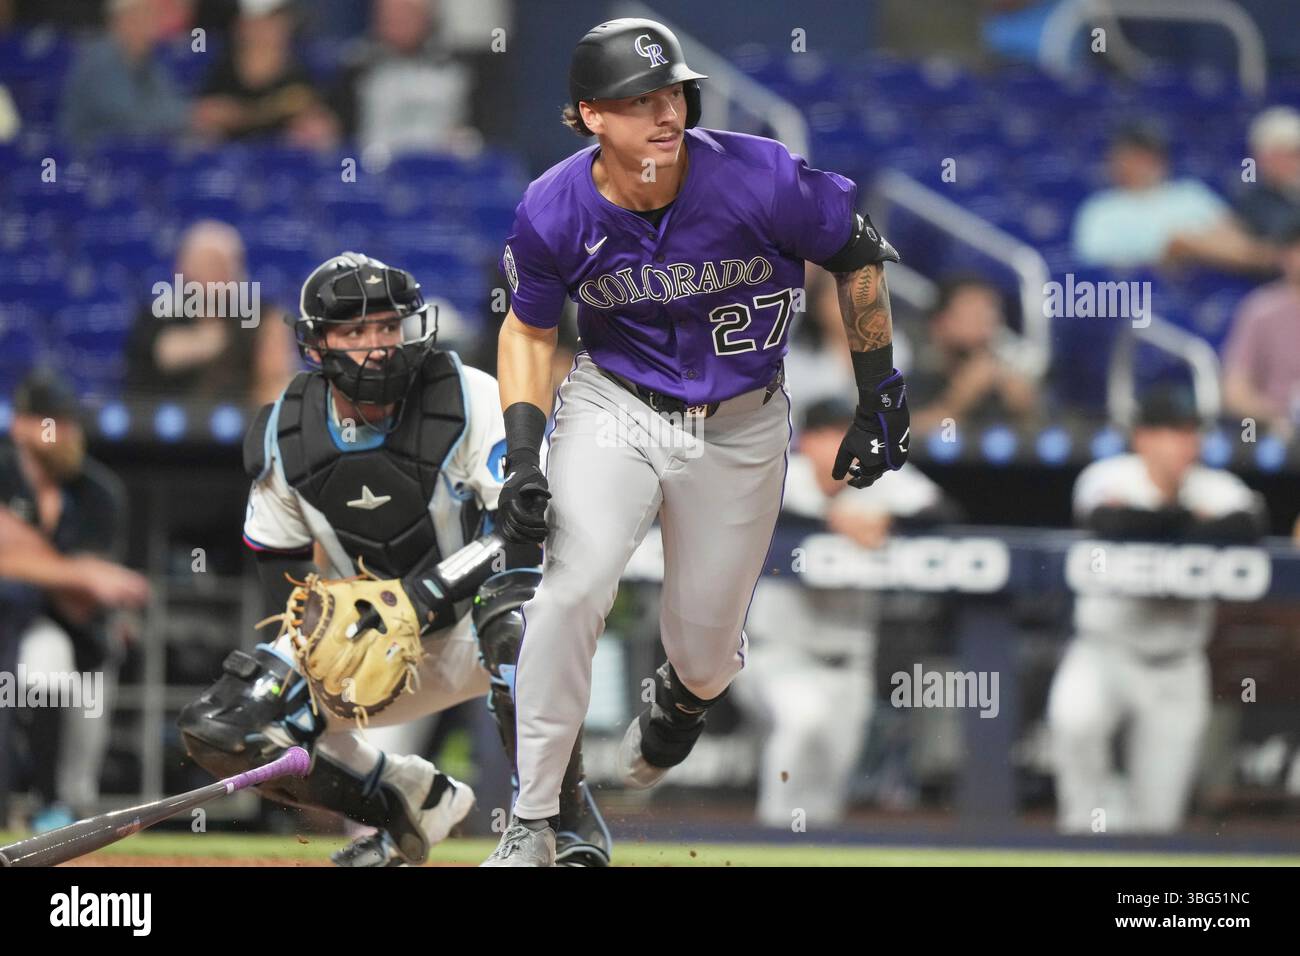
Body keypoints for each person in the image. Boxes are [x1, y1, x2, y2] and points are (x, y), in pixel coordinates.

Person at [482, 18, 910, 866]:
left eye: (671, 92)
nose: (664, 112)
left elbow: (857, 252)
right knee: (568, 592)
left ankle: (681, 701)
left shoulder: (760, 175)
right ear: (589, 117)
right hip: (617, 404)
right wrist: (525, 453)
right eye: (638, 100)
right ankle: (532, 823)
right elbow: (529, 333)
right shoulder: (553, 206)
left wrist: (881, 393)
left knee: (709, 655)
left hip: (744, 421)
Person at [176, 252, 610, 867]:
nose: (377, 345)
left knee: (521, 619)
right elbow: (281, 580)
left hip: (473, 625)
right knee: (225, 724)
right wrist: (319, 640)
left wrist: (422, 595)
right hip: (371, 648)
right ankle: (406, 800)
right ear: (316, 344)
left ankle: (562, 830)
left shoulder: (466, 394)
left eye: (386, 325)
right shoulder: (287, 433)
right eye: (354, 331)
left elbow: (525, 536)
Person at [1048, 387, 1267, 833]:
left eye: (1191, 434)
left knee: (1157, 824)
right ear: (1143, 438)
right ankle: (1092, 825)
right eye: (1173, 433)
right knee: (1074, 723)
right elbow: (1112, 523)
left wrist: (1167, 521)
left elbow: (1245, 525)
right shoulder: (1108, 476)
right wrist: (1191, 522)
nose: (1186, 444)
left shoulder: (1220, 486)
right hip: (1103, 653)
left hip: (1177, 666)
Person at [737, 399, 951, 828]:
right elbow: (764, 516)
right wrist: (837, 520)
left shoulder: (880, 480)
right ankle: (772, 840)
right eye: (833, 433)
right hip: (778, 656)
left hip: (851, 664)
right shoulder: (782, 476)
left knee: (829, 788)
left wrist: (884, 519)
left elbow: (942, 513)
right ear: (809, 441)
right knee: (804, 723)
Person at [0, 370, 149, 829]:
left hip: (82, 635)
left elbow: (87, 601)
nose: (65, 434)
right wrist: (71, 572)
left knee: (78, 778)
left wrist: (28, 560)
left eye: (71, 423)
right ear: (22, 425)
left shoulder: (97, 492)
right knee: (45, 656)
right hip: (9, 622)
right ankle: (34, 803)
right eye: (52, 422)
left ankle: (55, 814)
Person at [124, 220, 298, 407]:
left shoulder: (258, 316)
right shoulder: (157, 315)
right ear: (183, 268)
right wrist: (214, 340)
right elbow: (159, 355)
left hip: (241, 422)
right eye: (206, 264)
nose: (214, 275)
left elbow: (277, 375)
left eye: (223, 264)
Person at [333, 0, 482, 157]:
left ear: (425, 18)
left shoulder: (458, 68)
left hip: (442, 170)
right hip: (373, 169)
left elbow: (478, 131)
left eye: (405, 16)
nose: (397, 23)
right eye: (389, 17)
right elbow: (340, 129)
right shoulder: (356, 68)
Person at [1072, 122, 1227, 269]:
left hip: (1209, 279)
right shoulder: (1100, 208)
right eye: (1128, 158)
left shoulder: (1190, 194)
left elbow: (1229, 233)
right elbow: (1094, 264)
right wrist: (1169, 251)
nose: (1137, 166)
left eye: (1144, 158)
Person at [1166, 106, 1300, 275]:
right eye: (1280, 153)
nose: (1290, 160)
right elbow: (1208, 239)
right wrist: (1266, 254)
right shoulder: (1253, 200)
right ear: (1261, 157)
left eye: (1294, 152)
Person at [191, 0, 337, 148]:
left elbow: (321, 128)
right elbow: (203, 118)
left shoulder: (309, 70)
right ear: (239, 25)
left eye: (271, 20)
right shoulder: (215, 72)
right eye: (254, 21)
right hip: (228, 164)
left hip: (284, 165)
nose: (262, 29)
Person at [906, 274, 1040, 435]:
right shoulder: (911, 384)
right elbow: (899, 436)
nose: (985, 325)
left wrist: (1025, 410)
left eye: (990, 315)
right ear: (940, 323)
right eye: (973, 314)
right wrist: (958, 402)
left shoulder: (1001, 389)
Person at [57, 0, 190, 147]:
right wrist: (188, 117)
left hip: (131, 152)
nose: (152, 23)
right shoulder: (99, 60)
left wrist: (194, 114)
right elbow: (127, 114)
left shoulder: (150, 60)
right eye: (143, 16)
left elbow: (168, 98)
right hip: (86, 156)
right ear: (121, 21)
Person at [1220, 221, 1300, 439]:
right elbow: (1235, 391)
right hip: (1278, 426)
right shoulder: (1260, 309)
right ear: (1285, 255)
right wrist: (1275, 416)